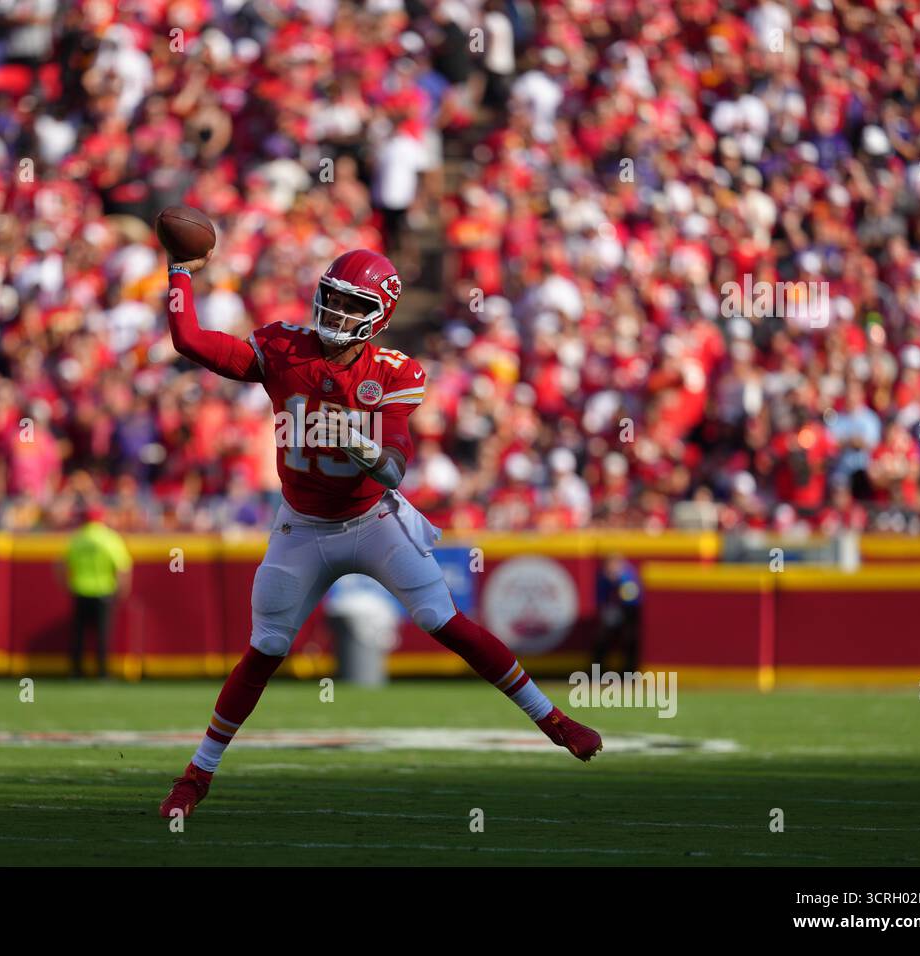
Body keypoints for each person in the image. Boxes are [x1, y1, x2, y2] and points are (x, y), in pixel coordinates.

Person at [158, 247, 603, 819]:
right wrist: (179, 271)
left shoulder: (392, 372)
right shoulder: (282, 346)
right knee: (267, 646)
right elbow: (189, 341)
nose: (336, 312)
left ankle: (555, 720)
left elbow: (394, 466)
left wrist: (362, 446)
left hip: (372, 519)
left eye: (353, 304)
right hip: (301, 525)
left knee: (441, 619)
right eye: (333, 297)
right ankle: (197, 775)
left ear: (380, 316)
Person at [64, 505, 132, 678]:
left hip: (80, 590)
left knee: (78, 635)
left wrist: (68, 584)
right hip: (104, 591)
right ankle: (102, 672)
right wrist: (122, 590)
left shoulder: (77, 538)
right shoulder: (110, 538)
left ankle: (76, 671)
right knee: (103, 635)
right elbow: (123, 566)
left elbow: (61, 564)